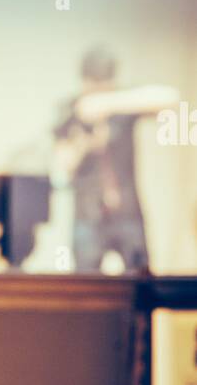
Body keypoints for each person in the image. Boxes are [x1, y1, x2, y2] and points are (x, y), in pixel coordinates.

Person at [53, 47, 177, 272]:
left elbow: (170, 98)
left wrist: (108, 104)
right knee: (86, 290)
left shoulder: (123, 106)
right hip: (88, 216)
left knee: (141, 283)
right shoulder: (70, 110)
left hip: (127, 211)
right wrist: (86, 144)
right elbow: (62, 166)